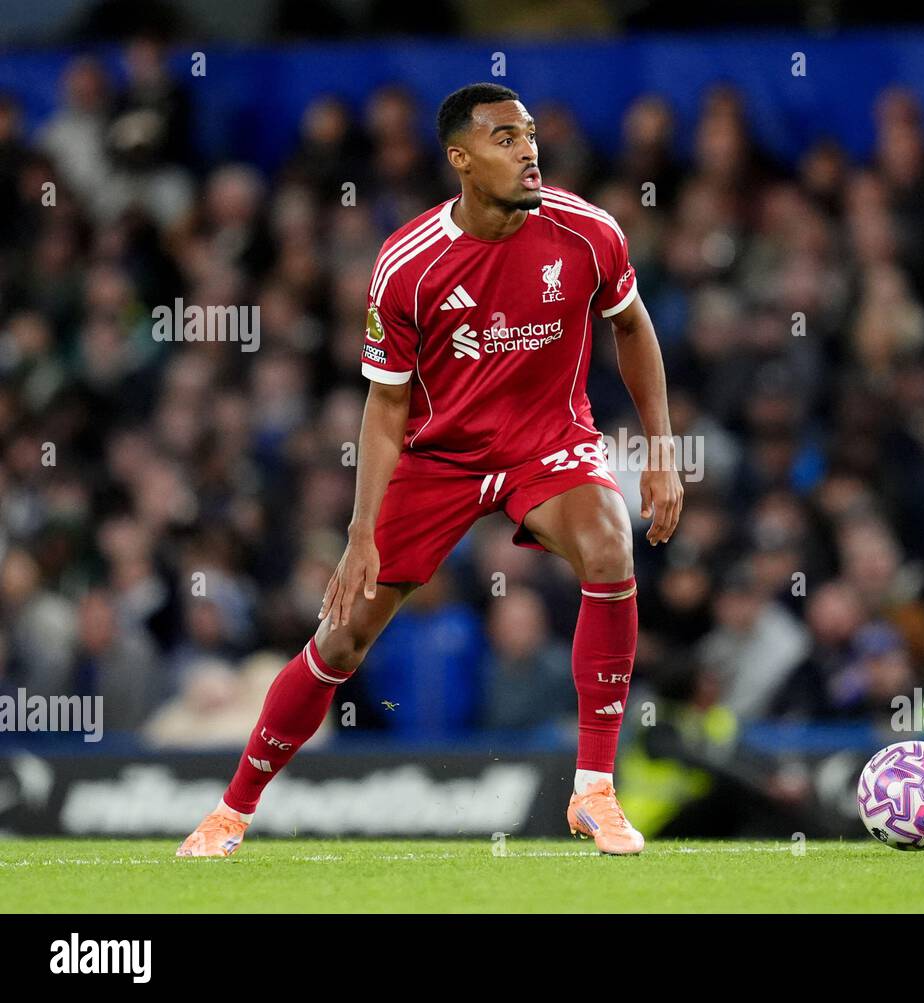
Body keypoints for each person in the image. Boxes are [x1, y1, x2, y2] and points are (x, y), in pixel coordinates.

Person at [178, 82, 683, 857]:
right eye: (505, 138)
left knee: (612, 545)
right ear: (461, 159)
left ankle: (594, 791)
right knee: (342, 640)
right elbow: (385, 408)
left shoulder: (587, 232)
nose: (528, 150)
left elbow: (632, 325)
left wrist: (662, 453)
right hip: (436, 458)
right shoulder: (408, 264)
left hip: (546, 443)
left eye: (530, 135)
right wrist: (358, 534)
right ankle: (231, 811)